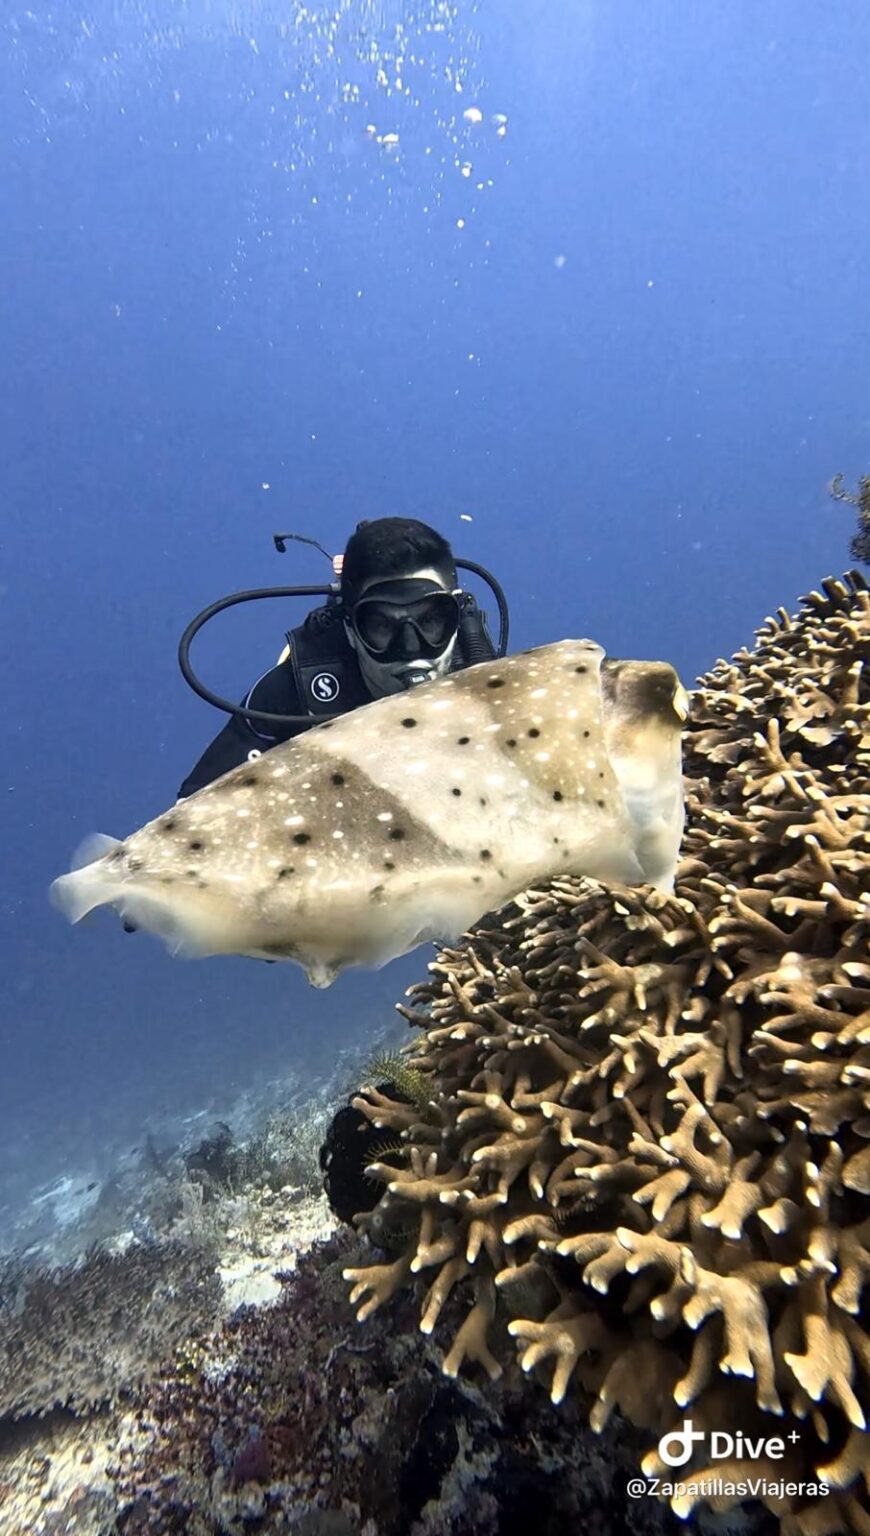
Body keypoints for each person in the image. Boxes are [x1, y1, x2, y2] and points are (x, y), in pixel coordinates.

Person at [177, 517, 496, 800]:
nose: (411, 648)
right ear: (350, 630)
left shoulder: (482, 672)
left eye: (429, 622)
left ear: (456, 619)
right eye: (383, 626)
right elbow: (193, 805)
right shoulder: (295, 690)